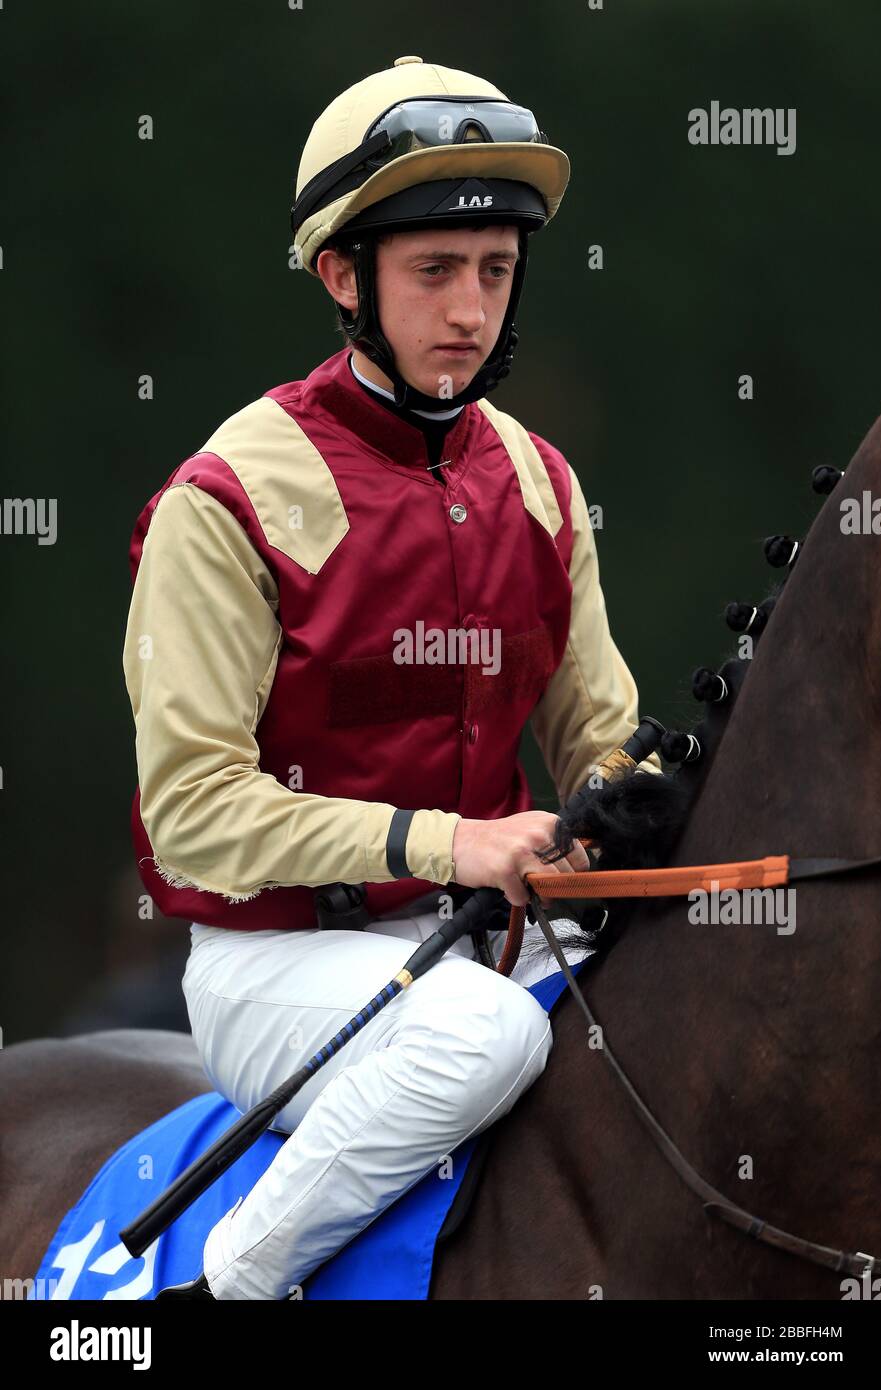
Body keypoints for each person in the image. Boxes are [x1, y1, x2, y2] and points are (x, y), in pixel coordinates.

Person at [125, 56, 660, 1300]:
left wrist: (627, 798)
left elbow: (599, 737)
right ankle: (230, 1286)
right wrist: (448, 843)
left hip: (492, 940)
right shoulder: (226, 498)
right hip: (273, 965)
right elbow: (192, 816)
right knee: (483, 1034)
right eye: (433, 272)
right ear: (341, 276)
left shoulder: (541, 482)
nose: (469, 310)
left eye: (494, 270)